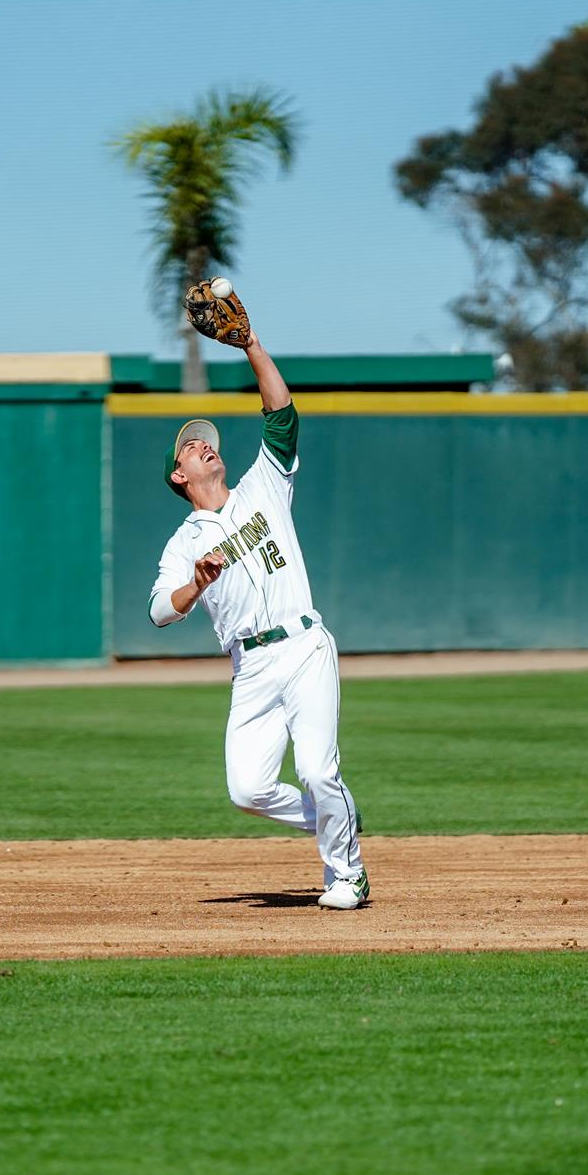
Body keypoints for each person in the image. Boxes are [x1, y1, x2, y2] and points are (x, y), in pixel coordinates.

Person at [147, 318, 369, 909]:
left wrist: (250, 345)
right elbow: (158, 613)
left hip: (303, 646)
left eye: (206, 439)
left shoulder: (262, 488)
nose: (203, 444)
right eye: (189, 446)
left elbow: (281, 415)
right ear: (180, 475)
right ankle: (335, 817)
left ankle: (345, 872)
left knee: (319, 770)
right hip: (250, 667)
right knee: (246, 789)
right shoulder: (184, 542)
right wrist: (194, 585)